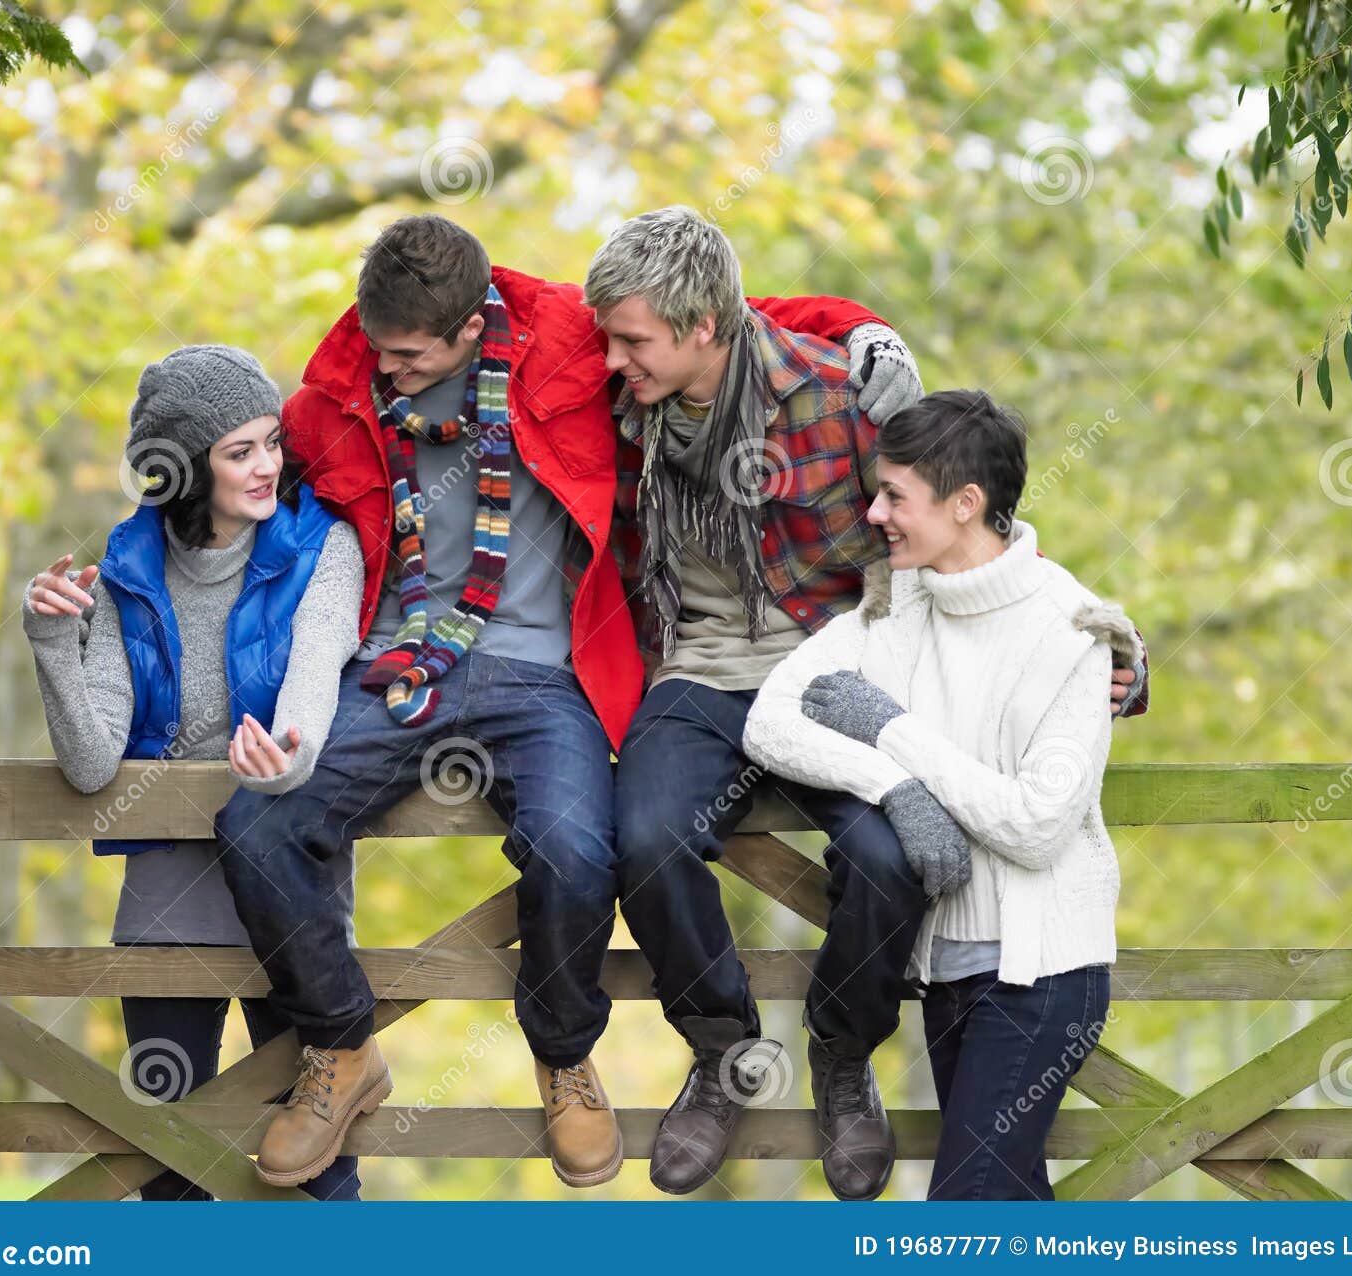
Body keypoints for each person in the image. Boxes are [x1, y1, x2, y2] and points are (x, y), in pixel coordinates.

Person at [212, 212, 918, 1190]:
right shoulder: (338, 395)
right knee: (252, 826)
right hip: (396, 668)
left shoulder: (567, 341)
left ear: (469, 327)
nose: (391, 368)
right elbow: (229, 478)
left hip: (549, 676)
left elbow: (730, 319)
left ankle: (569, 1052)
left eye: (409, 354)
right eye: (379, 348)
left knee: (582, 848)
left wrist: (866, 330)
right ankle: (340, 1047)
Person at [587, 206, 1148, 1199]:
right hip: (703, 669)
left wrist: (1096, 645)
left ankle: (843, 1052)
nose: (613, 353)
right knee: (646, 835)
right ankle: (719, 1046)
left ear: (701, 327)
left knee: (889, 858)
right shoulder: (618, 398)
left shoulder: (839, 397)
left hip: (841, 677)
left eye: (632, 338)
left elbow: (962, 515)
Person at [744, 388, 1140, 1200]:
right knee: (1010, 1208)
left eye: (895, 494)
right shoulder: (894, 605)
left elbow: (1035, 825)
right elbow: (769, 722)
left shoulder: (1074, 630)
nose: (876, 511)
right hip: (947, 971)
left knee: (962, 1215)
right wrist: (894, 787)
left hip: (1042, 977)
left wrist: (891, 732)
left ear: (966, 504)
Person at [22, 344, 365, 1201]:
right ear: (183, 466)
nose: (267, 466)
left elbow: (316, 670)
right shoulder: (129, 564)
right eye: (237, 450)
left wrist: (285, 758)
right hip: (166, 884)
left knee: (316, 1158)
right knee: (166, 1154)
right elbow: (94, 762)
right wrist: (53, 644)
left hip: (287, 876)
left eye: (270, 443)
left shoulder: (325, 542)